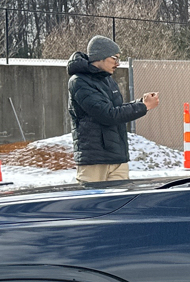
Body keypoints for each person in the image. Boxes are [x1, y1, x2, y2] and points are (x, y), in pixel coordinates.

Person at [67, 35, 159, 184]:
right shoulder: (79, 82)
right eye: (114, 58)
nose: (118, 63)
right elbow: (107, 115)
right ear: (99, 57)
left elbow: (116, 109)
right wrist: (143, 106)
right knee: (92, 205)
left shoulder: (108, 80)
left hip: (117, 158)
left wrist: (141, 103)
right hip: (94, 161)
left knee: (121, 204)